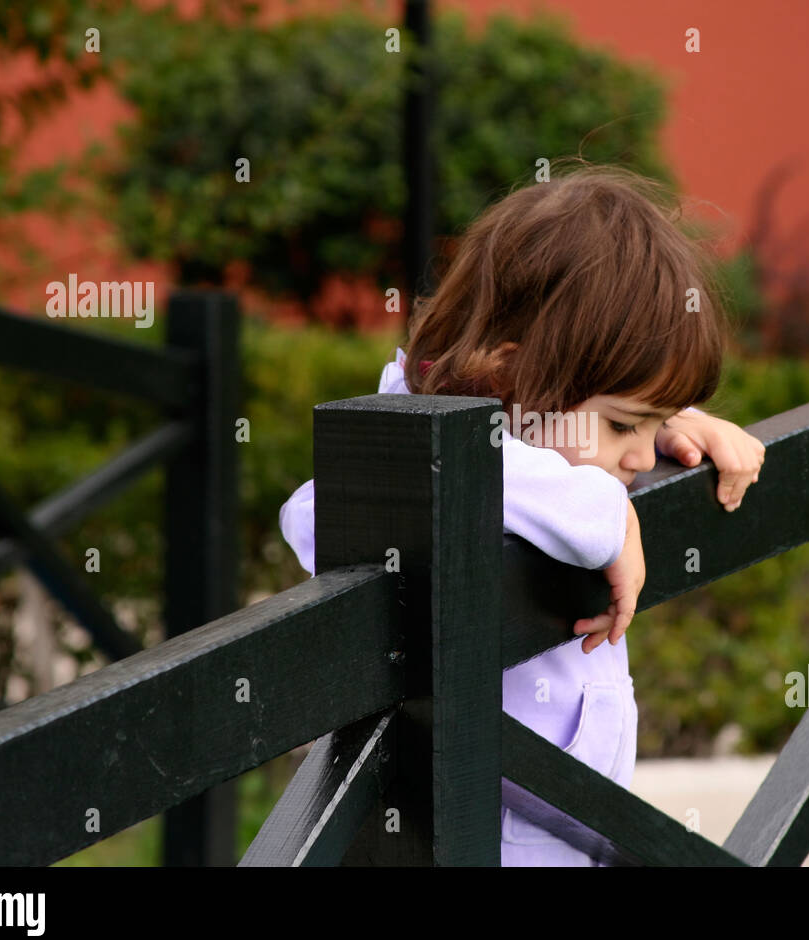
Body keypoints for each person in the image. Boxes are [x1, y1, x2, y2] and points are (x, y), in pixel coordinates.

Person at [278, 162, 766, 865]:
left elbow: (546, 432)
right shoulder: (423, 445)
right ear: (508, 377)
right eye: (624, 424)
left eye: (647, 422)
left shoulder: (534, 428)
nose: (636, 460)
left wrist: (666, 421)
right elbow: (314, 516)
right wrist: (602, 509)